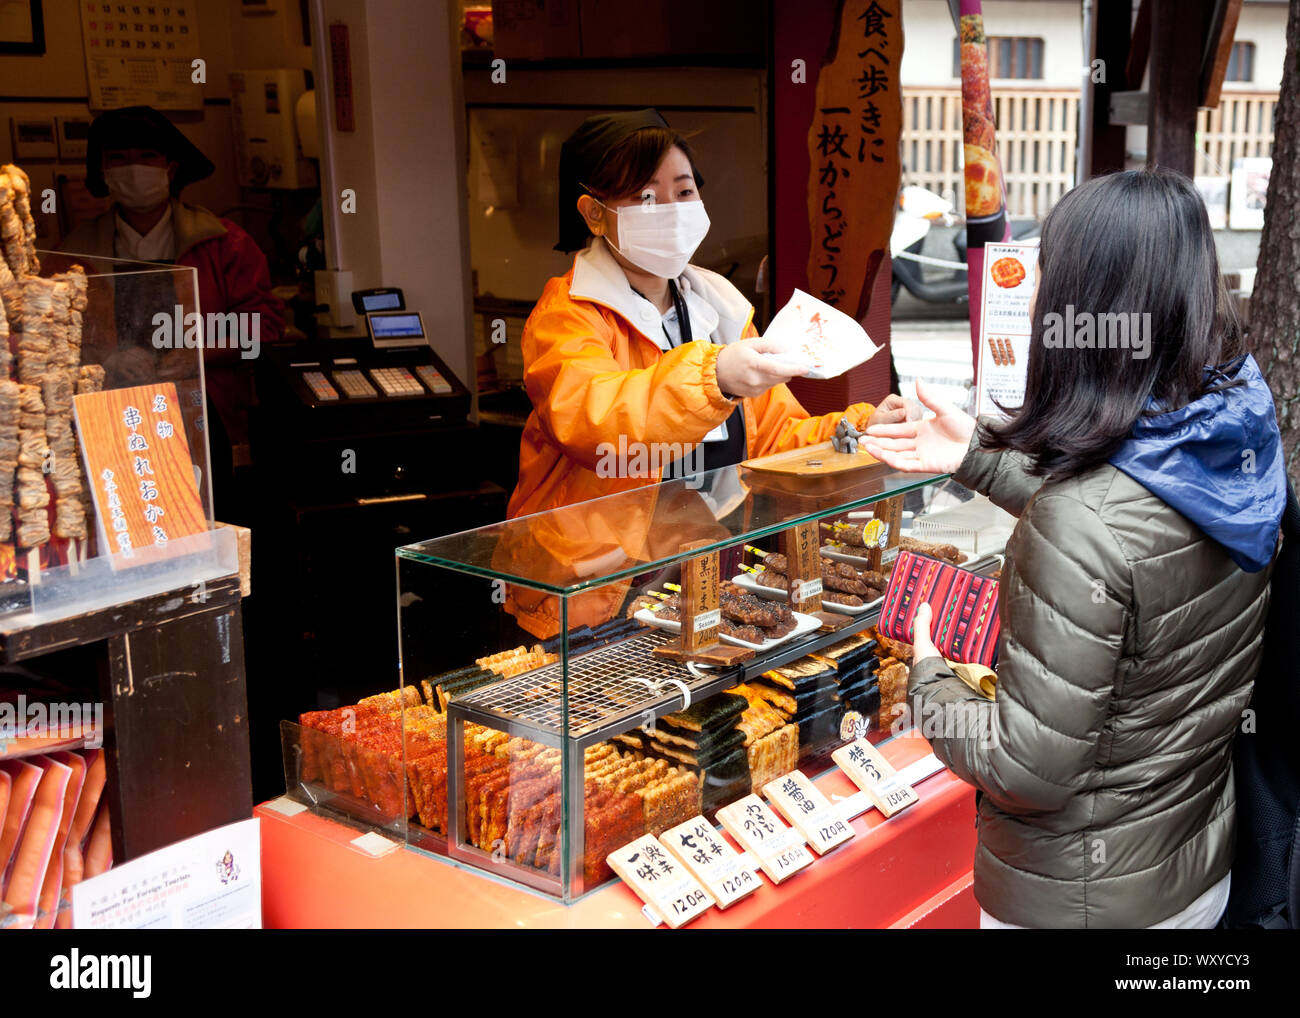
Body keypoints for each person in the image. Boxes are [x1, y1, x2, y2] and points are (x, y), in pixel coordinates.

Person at [864, 168, 1286, 928]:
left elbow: (1027, 767)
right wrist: (975, 453)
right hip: (1192, 868)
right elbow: (1138, 522)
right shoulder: (1233, 430)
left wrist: (929, 678)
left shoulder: (1079, 521)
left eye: (1048, 274)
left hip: (1079, 902)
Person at [503, 109, 915, 636]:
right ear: (593, 213)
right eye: (647, 198)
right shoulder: (569, 314)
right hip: (594, 594)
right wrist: (713, 378)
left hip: (698, 581)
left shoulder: (717, 308)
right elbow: (594, 419)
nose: (672, 211)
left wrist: (857, 430)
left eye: (684, 191)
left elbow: (775, 438)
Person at [61, 105, 284, 516]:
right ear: (103, 172)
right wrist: (107, 360)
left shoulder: (223, 243)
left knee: (215, 523)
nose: (134, 169)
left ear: (171, 167)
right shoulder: (74, 254)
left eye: (148, 157)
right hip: (114, 420)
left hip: (209, 417)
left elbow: (266, 327)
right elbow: (54, 342)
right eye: (118, 159)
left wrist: (201, 352)